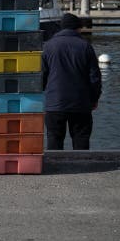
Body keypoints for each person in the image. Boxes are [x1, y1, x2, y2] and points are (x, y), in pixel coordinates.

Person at [42, 13, 102, 150]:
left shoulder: (48, 46)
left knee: (54, 138)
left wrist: (46, 95)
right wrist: (94, 99)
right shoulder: (85, 46)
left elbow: (42, 76)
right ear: (78, 28)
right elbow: (95, 78)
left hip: (55, 103)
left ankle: (55, 168)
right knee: (81, 138)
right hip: (81, 103)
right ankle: (82, 168)